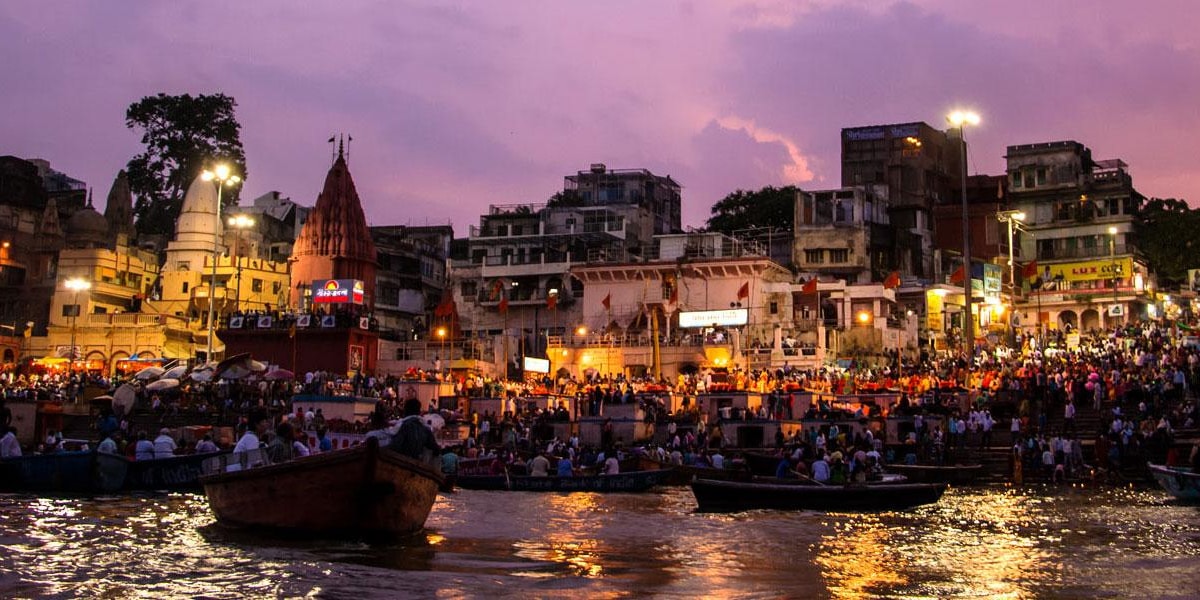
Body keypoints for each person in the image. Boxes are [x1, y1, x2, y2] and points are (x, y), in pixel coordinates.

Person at [389, 400, 441, 465]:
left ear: (406, 411)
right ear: (419, 411)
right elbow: (435, 448)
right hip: (416, 463)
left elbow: (394, 446)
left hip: (402, 462)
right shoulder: (424, 428)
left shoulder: (402, 425)